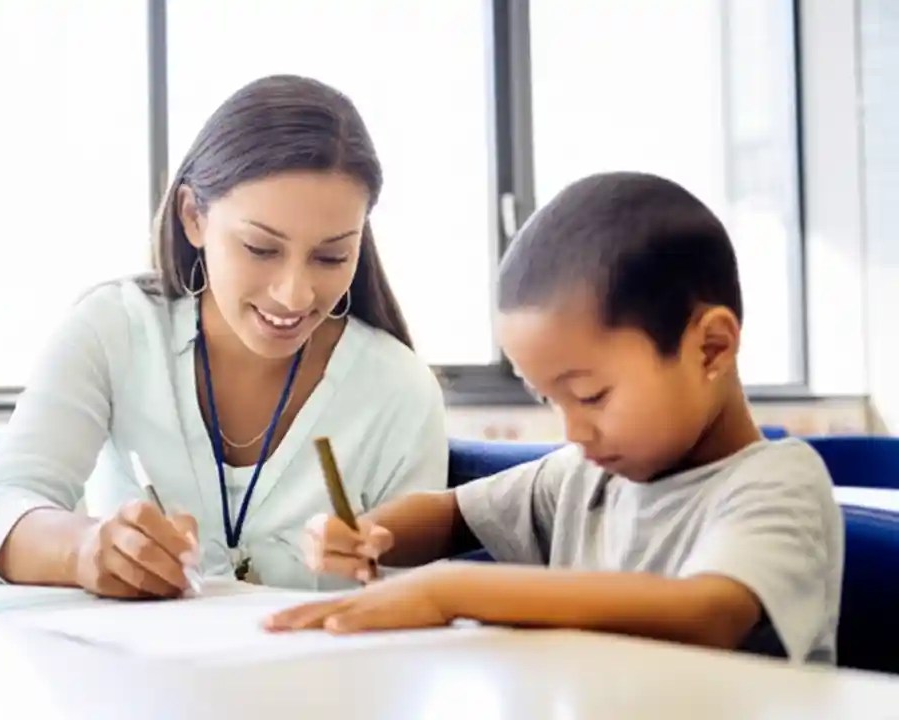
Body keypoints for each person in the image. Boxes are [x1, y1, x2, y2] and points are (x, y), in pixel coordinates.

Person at [269, 171, 844, 665]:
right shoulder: (584, 476)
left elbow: (708, 613)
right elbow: (450, 515)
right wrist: (371, 533)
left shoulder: (777, 485)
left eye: (591, 395)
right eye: (548, 400)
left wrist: (456, 588)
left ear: (711, 348)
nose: (571, 432)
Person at [0, 74, 448, 597]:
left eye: (331, 256)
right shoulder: (113, 329)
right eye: (260, 248)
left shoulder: (399, 389)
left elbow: (414, 603)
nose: (294, 295)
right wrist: (87, 549)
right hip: (138, 674)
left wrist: (377, 567)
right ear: (193, 217)